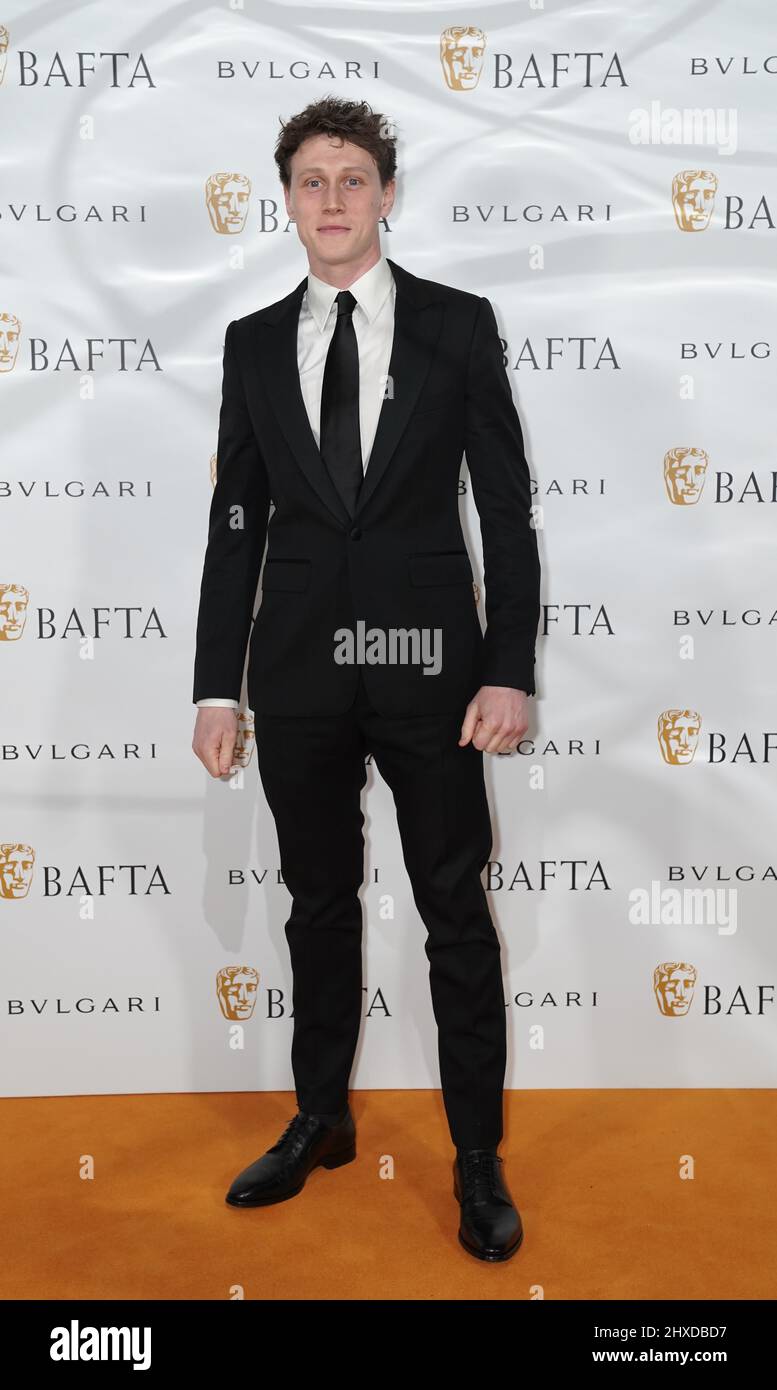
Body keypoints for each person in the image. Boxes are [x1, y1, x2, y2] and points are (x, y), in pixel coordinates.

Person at [192, 95, 541, 1262]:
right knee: (319, 907)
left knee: (453, 913)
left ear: (387, 193)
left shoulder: (456, 324)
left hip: (433, 671)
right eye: (311, 181)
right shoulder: (249, 342)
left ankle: (478, 1160)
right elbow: (235, 527)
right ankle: (320, 1118)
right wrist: (213, 685)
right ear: (285, 199)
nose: (332, 201)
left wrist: (508, 669)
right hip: (295, 674)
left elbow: (505, 509)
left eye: (353, 179)